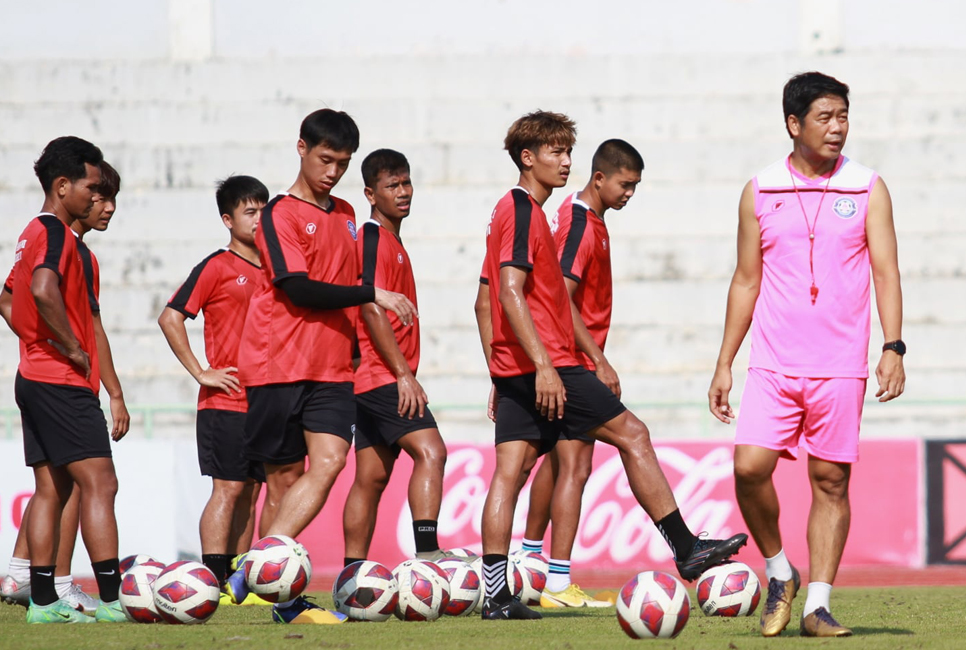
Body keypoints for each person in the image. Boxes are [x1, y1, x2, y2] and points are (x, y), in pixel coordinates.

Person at [474, 111, 747, 620]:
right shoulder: (524, 211)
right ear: (528, 158)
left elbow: (490, 299)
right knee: (634, 435)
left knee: (510, 473)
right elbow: (509, 291)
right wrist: (546, 367)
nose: (566, 162)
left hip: (521, 366)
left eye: (568, 151)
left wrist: (501, 369)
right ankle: (685, 548)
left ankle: (497, 596)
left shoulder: (520, 213)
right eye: (556, 152)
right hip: (547, 364)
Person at [708, 72, 905, 638]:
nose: (837, 128)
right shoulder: (760, 189)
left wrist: (892, 345)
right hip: (772, 361)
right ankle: (778, 570)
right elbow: (746, 280)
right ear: (793, 124)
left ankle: (817, 605)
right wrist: (725, 361)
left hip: (841, 363)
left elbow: (886, 272)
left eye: (843, 116)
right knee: (749, 468)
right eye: (825, 117)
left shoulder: (868, 186)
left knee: (830, 482)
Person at [226, 109, 415, 625]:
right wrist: (372, 292)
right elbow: (298, 287)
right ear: (302, 148)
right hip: (276, 363)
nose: (332, 171)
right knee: (284, 481)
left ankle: (256, 565)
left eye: (342, 163)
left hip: (332, 368)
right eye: (325, 159)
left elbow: (348, 284)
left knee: (330, 463)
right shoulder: (278, 214)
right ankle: (283, 603)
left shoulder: (349, 212)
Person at [4, 137, 127, 623]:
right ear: (63, 186)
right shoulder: (56, 234)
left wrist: (37, 340)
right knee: (101, 483)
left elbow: (8, 297)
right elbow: (39, 288)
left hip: (35, 376)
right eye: (92, 187)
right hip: (60, 381)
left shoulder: (35, 233)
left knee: (52, 489)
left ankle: (41, 602)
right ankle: (115, 601)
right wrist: (69, 349)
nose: (98, 199)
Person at [519, 139, 644, 609]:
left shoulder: (588, 220)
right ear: (600, 178)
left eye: (635, 187)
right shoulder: (579, 225)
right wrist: (597, 360)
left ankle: (534, 566)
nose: (630, 194)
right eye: (625, 184)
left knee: (552, 461)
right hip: (569, 361)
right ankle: (554, 580)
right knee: (574, 464)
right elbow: (561, 295)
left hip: (562, 359)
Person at [158, 175, 272, 605]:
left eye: (264, 209)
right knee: (227, 488)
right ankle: (213, 577)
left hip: (266, 401)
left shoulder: (278, 268)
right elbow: (171, 318)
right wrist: (201, 371)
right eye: (249, 211)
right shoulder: (216, 266)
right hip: (225, 400)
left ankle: (242, 582)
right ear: (228, 219)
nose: (259, 218)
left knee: (252, 490)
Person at [341, 149, 452, 566]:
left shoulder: (392, 240)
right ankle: (428, 554)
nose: (403, 192)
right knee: (432, 452)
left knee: (370, 478)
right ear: (371, 193)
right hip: (383, 375)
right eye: (392, 186)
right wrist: (404, 375)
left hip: (373, 377)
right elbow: (370, 305)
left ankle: (352, 574)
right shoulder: (371, 236)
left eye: (406, 183)